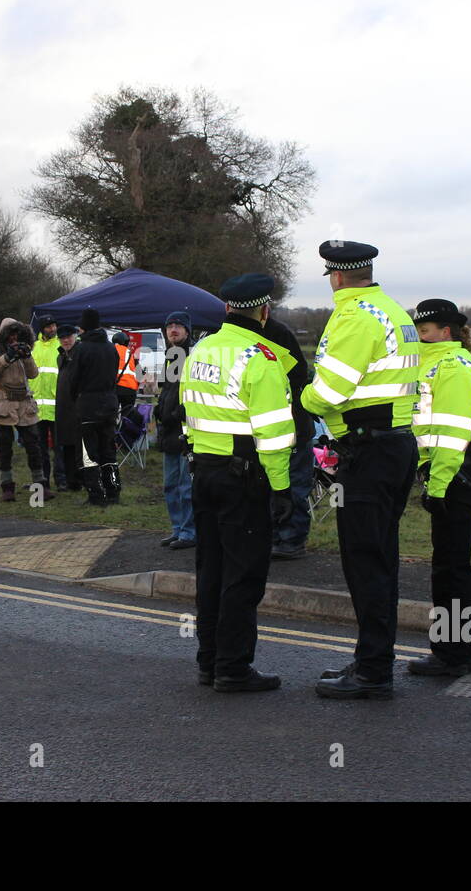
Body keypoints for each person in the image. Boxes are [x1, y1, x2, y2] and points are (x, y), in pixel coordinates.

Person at [301, 240, 420, 700]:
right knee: (379, 556)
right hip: (392, 444)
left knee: (365, 559)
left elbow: (330, 389)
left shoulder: (354, 315)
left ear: (336, 276)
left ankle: (373, 669)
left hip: (368, 450)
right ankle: (372, 659)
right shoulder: (392, 309)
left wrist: (303, 400)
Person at [182, 273, 296, 692]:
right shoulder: (260, 358)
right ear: (264, 311)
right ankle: (233, 667)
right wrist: (282, 488)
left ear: (228, 310)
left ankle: (208, 660)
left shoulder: (200, 350)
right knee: (244, 573)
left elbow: (189, 414)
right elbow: (274, 433)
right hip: (244, 476)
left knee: (210, 569)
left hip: (205, 472)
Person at [407, 299, 471, 676]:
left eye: (425, 331)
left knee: (452, 569)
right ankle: (450, 651)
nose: (419, 337)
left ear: (446, 331)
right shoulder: (435, 363)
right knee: (446, 566)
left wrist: (438, 486)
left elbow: (452, 434)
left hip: (456, 473)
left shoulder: (453, 366)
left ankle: (455, 656)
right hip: (450, 472)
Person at [263, 313, 314, 560]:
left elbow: (298, 373)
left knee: (293, 485)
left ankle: (292, 539)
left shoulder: (278, 334)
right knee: (271, 485)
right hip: (272, 425)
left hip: (292, 425)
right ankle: (274, 535)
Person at [0, 318, 50, 501]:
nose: (14, 338)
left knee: (33, 445)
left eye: (17, 335)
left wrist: (26, 357)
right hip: (3, 402)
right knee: (5, 447)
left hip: (24, 403)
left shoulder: (24, 349)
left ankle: (40, 486)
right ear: (4, 336)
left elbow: (33, 373)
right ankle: (7, 487)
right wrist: (7, 357)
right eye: (10, 335)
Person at [69, 307, 120, 506]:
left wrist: (76, 398)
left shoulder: (81, 348)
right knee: (108, 451)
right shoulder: (110, 347)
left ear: (83, 326)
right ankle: (113, 491)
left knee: (89, 453)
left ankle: (96, 494)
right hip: (109, 404)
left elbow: (74, 380)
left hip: (88, 405)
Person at [153, 310, 195, 549]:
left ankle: (189, 532)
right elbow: (168, 388)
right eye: (170, 326)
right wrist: (160, 408)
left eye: (178, 325)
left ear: (187, 330)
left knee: (186, 485)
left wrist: (183, 409)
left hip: (187, 429)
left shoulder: (194, 354)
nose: (173, 330)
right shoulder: (171, 355)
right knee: (170, 484)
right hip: (169, 428)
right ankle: (177, 528)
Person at [30, 316, 62, 489]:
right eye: (49, 326)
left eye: (53, 325)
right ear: (42, 329)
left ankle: (61, 480)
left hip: (57, 406)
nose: (52, 329)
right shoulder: (33, 347)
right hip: (37, 408)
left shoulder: (61, 346)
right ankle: (43, 481)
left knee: (60, 448)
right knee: (40, 449)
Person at [53, 325, 83, 490]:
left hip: (77, 406)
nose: (65, 340)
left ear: (75, 336)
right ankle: (72, 480)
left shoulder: (80, 353)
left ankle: (80, 479)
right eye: (62, 338)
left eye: (68, 337)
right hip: (63, 407)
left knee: (79, 445)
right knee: (67, 445)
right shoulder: (61, 356)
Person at [113, 330, 139, 415]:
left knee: (112, 414)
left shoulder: (111, 350)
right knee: (127, 415)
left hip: (116, 387)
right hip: (130, 389)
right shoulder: (130, 353)